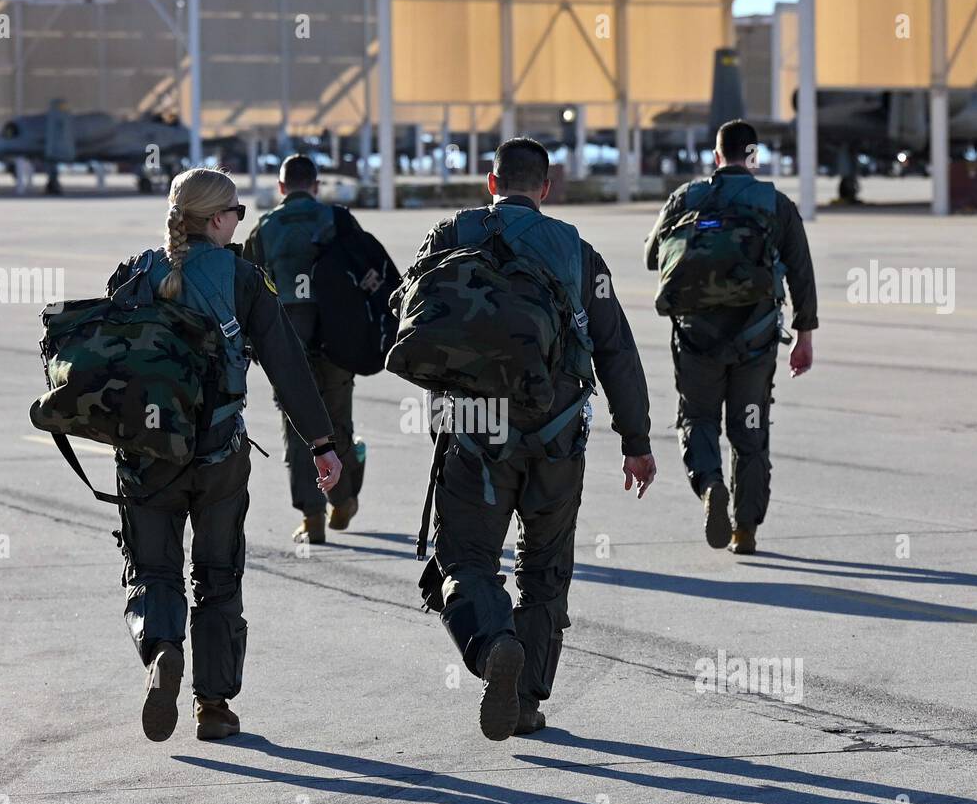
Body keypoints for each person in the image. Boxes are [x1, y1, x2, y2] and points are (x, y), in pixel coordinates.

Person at [394, 137, 656, 740]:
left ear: (491, 182)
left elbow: (406, 318)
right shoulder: (576, 251)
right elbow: (616, 349)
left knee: (465, 557)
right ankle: (530, 700)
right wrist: (636, 440)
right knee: (544, 567)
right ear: (545, 188)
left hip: (475, 428)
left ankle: (493, 650)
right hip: (558, 431)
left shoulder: (449, 234)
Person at [106, 167, 342, 743]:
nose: (241, 220)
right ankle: (213, 706)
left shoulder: (136, 273)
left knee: (154, 571)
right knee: (217, 577)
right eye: (236, 211)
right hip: (219, 455)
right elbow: (288, 365)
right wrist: (322, 442)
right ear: (216, 219)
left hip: (147, 456)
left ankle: (163, 649)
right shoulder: (242, 278)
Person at [645, 119, 818, 555]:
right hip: (755, 342)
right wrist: (805, 337)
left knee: (698, 420)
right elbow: (802, 274)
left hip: (695, 338)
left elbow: (653, 257)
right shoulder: (776, 205)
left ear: (716, 157)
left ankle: (709, 486)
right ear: (753, 156)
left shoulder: (686, 197)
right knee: (750, 432)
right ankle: (745, 529)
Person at [243, 154, 367, 544]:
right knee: (337, 423)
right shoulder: (336, 220)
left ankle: (313, 519)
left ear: (281, 187)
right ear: (316, 186)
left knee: (300, 430)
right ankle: (342, 500)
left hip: (284, 347)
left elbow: (248, 290)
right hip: (336, 342)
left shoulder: (264, 229)